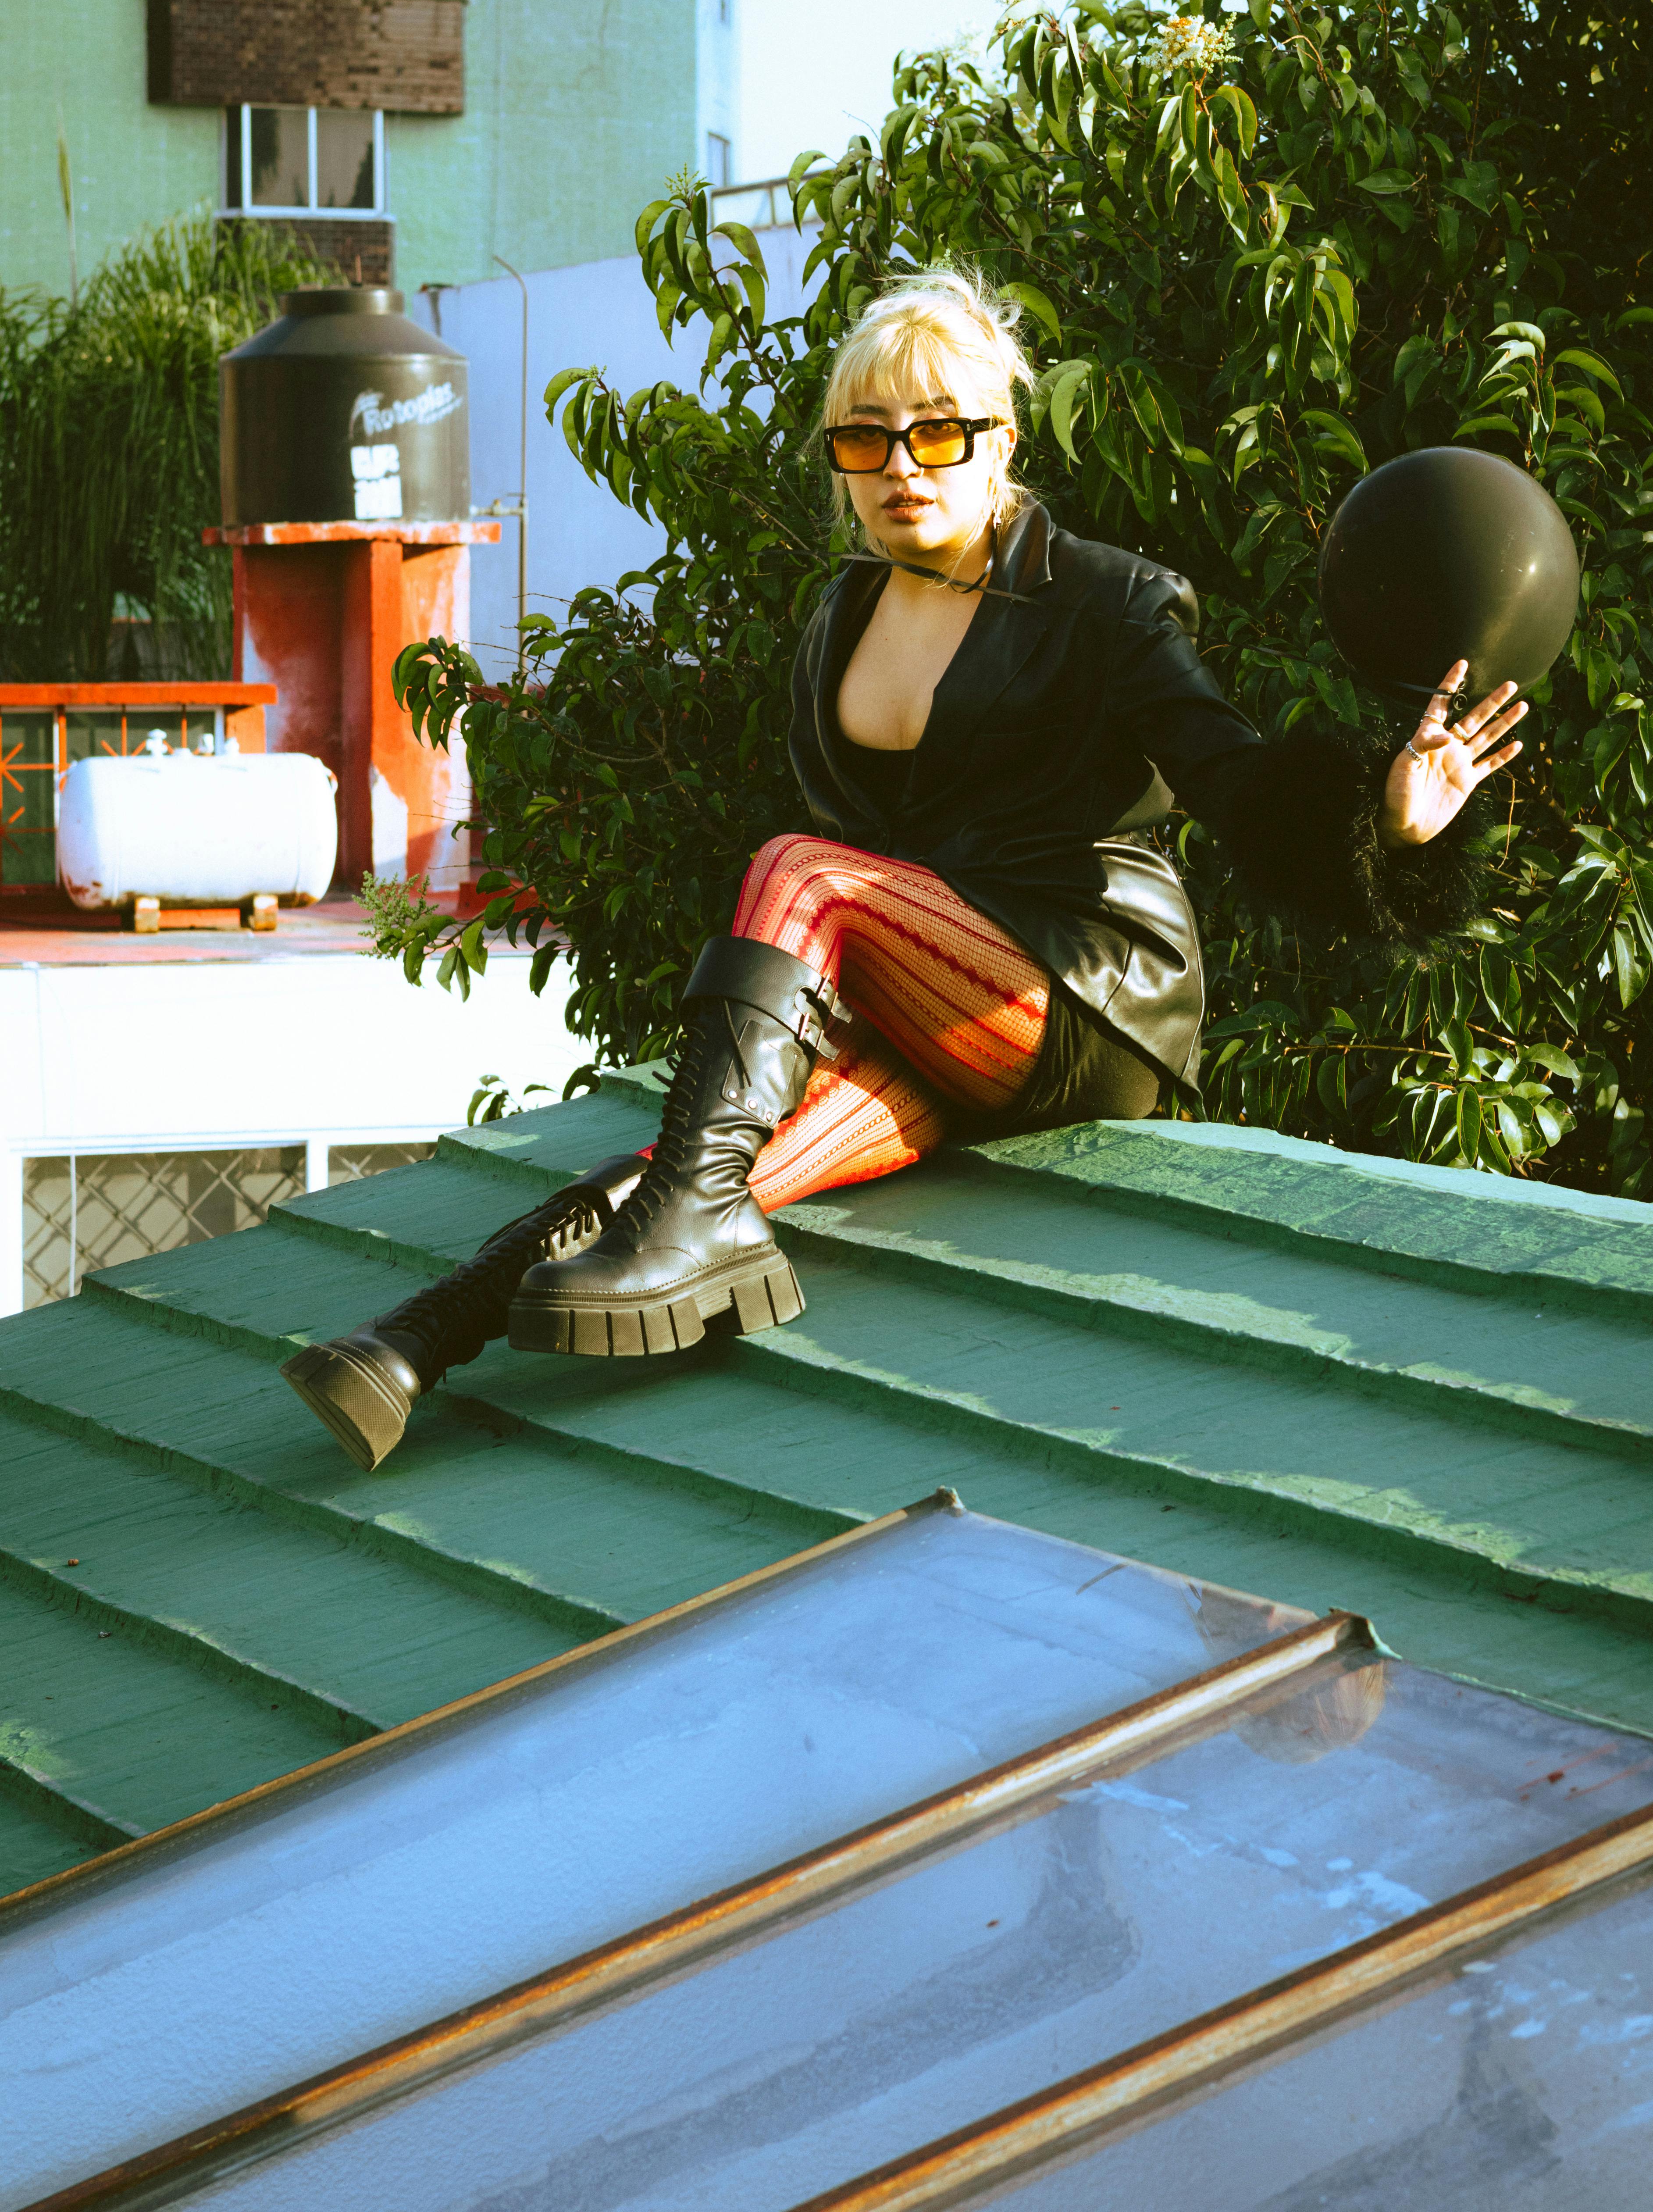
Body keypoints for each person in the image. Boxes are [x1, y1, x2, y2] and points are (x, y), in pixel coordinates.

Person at [285, 270, 1525, 1471]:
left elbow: (1235, 781)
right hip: (928, 1005)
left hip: (1079, 996)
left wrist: (1395, 819)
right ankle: (414, 1346)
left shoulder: (1108, 601)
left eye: (938, 435)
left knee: (800, 877)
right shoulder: (845, 613)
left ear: (1002, 444)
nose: (899, 469)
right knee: (693, 1168)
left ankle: (688, 1233)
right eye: (865, 441)